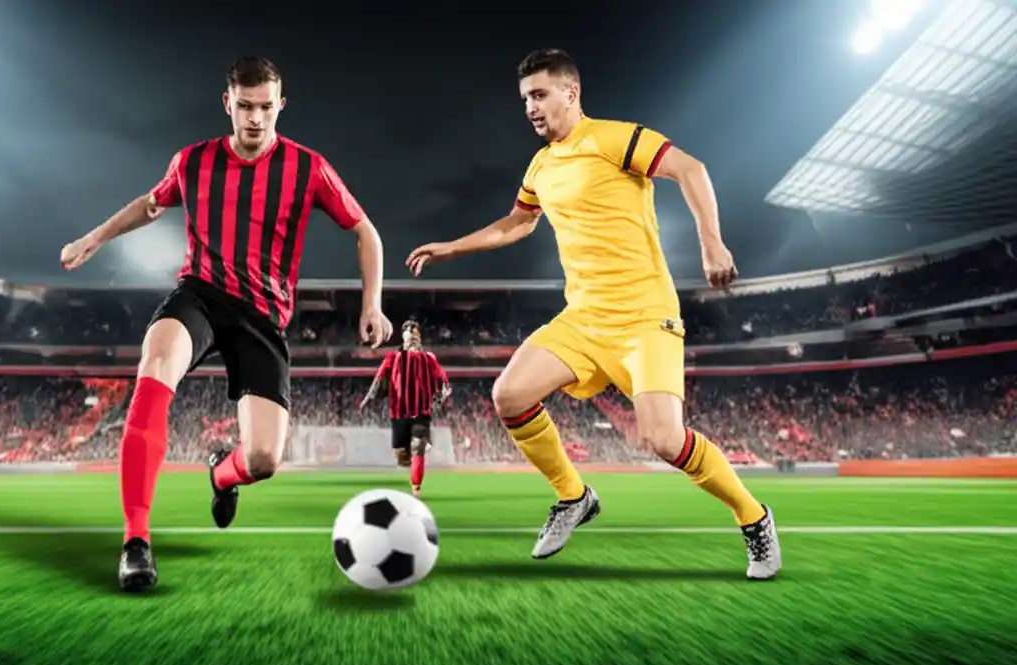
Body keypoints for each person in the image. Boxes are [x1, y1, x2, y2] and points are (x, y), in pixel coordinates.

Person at [405, 49, 781, 579]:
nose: (531, 108)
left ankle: (754, 518)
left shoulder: (614, 139)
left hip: (645, 314)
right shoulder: (541, 165)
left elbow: (690, 168)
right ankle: (573, 496)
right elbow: (517, 223)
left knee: (663, 439)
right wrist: (450, 247)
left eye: (539, 95)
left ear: (570, 92)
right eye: (524, 100)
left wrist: (711, 243)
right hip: (584, 317)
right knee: (509, 394)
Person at [62, 57, 393, 591]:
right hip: (201, 294)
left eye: (266, 107)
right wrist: (92, 239)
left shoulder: (308, 168)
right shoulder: (192, 161)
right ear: (228, 104)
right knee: (154, 368)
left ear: (281, 105)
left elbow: (367, 232)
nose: (256, 118)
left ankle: (222, 473)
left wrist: (372, 304)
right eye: (245, 106)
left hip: (262, 316)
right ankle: (136, 541)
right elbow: (150, 207)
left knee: (263, 459)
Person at [360, 320, 450, 497]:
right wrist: (368, 399)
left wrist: (437, 402)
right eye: (409, 335)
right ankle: (408, 452)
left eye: (415, 335)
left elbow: (445, 383)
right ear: (403, 338)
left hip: (422, 412)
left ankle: (416, 488)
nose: (412, 339)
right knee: (402, 456)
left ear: (419, 338)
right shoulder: (393, 358)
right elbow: (378, 380)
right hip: (399, 412)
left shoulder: (429, 359)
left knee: (418, 447)